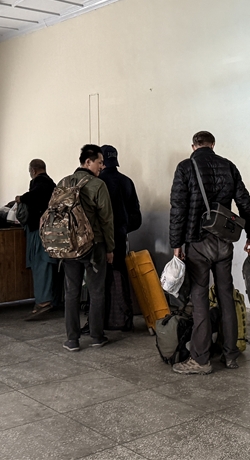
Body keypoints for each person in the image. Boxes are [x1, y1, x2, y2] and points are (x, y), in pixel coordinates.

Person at [169, 131, 250, 374]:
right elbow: (244, 202)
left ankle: (200, 359)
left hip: (198, 242)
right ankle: (230, 355)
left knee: (199, 300)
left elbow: (178, 207)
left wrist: (176, 243)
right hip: (224, 242)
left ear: (193, 146)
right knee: (225, 296)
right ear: (213, 145)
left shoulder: (186, 167)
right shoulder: (228, 166)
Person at [60, 144, 115, 352]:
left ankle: (72, 340)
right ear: (87, 162)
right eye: (99, 162)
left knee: (71, 292)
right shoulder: (97, 185)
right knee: (97, 291)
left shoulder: (63, 182)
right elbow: (107, 219)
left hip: (69, 246)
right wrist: (110, 248)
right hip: (94, 245)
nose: (102, 166)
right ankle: (96, 336)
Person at [93, 144, 141, 332]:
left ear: (101, 162)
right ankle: (123, 319)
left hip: (101, 241)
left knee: (100, 282)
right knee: (120, 276)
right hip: (121, 238)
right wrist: (123, 229)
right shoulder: (127, 182)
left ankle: (101, 323)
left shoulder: (97, 183)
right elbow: (137, 218)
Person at [15, 159, 56, 320]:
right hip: (49, 231)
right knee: (46, 266)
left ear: (32, 170)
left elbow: (35, 196)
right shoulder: (51, 183)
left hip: (39, 232)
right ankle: (48, 299)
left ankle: (43, 302)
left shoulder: (40, 183)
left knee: (41, 266)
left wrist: (21, 198)